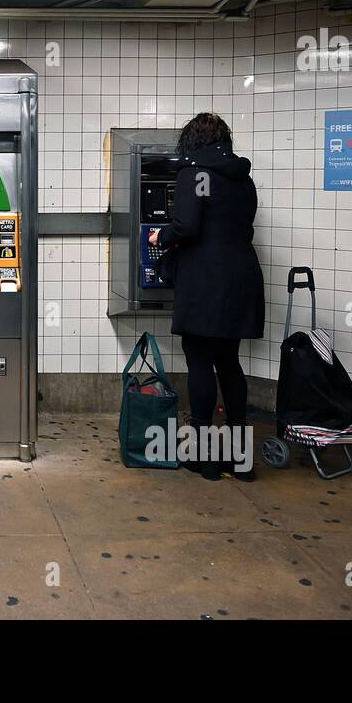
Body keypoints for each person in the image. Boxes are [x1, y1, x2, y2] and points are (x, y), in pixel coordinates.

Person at [150, 112, 264, 482]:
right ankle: (240, 461)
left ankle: (206, 460)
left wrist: (160, 238)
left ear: (192, 141)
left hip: (205, 280)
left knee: (200, 363)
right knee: (229, 363)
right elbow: (241, 226)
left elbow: (188, 225)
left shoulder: (194, 174)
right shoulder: (242, 178)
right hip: (241, 277)